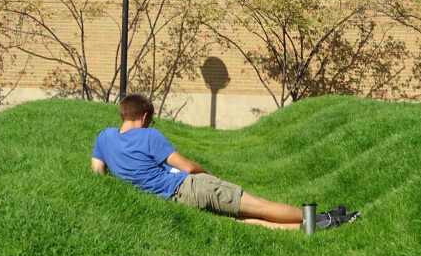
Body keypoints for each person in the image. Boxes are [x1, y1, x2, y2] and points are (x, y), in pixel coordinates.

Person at [91, 94, 359, 231]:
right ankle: (324, 217)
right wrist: (210, 177)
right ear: (145, 115)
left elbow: (98, 172)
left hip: (172, 202)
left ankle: (318, 226)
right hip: (189, 188)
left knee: (247, 220)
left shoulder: (104, 138)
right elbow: (188, 168)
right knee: (259, 206)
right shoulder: (148, 136)